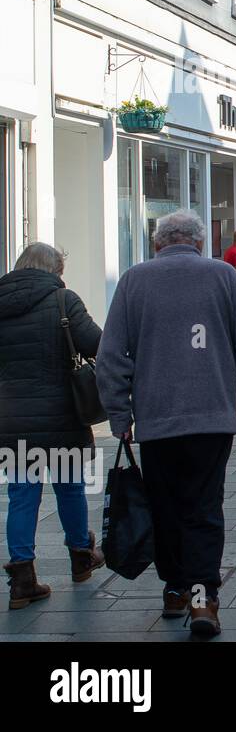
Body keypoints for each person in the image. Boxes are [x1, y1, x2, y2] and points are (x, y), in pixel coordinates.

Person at [97, 210, 236, 637]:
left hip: (157, 421)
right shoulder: (224, 276)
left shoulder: (134, 281)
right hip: (211, 419)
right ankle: (202, 600)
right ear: (199, 243)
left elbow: (110, 356)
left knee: (165, 505)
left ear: (158, 244)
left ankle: (175, 588)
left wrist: (119, 414)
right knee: (204, 507)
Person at [1, 243, 105, 610]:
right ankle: (81, 558)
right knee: (70, 488)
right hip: (62, 416)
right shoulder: (63, 300)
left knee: (21, 495)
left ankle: (22, 581)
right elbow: (97, 345)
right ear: (55, 270)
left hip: (12, 419)